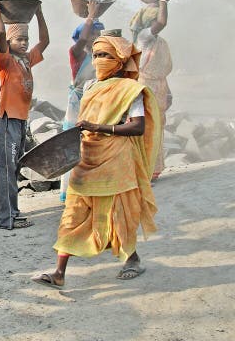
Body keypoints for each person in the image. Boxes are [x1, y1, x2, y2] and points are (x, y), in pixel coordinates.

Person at [32, 34, 160, 289]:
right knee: (73, 213)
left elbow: (137, 127)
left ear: (121, 61)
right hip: (87, 156)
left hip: (116, 159)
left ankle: (132, 259)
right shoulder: (91, 86)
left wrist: (100, 128)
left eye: (106, 56)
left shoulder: (129, 90)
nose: (100, 60)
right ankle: (59, 272)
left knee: (118, 215)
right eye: (97, 55)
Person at [0, 0, 50, 230]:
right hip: (8, 119)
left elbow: (45, 41)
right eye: (19, 39)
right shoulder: (5, 61)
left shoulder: (26, 60)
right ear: (9, 41)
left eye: (26, 39)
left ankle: (3, 211)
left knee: (10, 167)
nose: (24, 43)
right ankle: (7, 217)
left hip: (21, 119)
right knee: (7, 168)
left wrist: (39, 13)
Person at [59, 1, 105, 202]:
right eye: (93, 33)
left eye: (98, 34)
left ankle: (90, 188)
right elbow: (84, 36)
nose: (96, 37)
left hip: (95, 104)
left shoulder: (99, 57)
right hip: (78, 105)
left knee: (93, 144)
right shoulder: (76, 54)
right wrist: (91, 16)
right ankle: (70, 193)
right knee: (74, 146)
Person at [131, 0, 173, 181]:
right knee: (147, 128)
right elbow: (162, 22)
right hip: (146, 87)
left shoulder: (158, 41)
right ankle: (143, 171)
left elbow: (162, 70)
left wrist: (169, 90)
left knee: (157, 128)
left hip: (160, 87)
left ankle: (153, 170)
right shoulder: (144, 37)